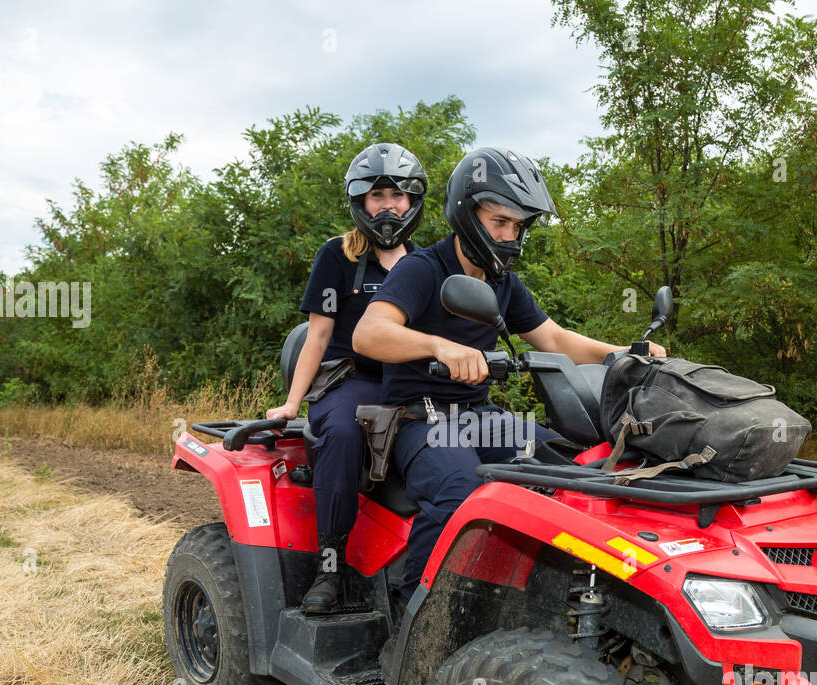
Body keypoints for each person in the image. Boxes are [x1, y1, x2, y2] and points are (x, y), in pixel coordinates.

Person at [352, 146, 666, 606]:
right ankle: (413, 618)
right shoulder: (423, 269)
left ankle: (542, 599)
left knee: (574, 466)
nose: (510, 236)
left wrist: (622, 353)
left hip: (480, 416)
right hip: (420, 421)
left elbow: (556, 340)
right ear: (467, 215)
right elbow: (368, 333)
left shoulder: (502, 283)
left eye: (518, 226)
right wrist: (439, 345)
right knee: (460, 491)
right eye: (500, 223)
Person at [267, 142, 427, 613]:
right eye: (378, 195)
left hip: (411, 382)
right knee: (338, 432)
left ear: (413, 201)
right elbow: (317, 336)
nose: (388, 205)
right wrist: (293, 404)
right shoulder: (337, 256)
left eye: (398, 196)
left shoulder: (426, 263)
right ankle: (330, 566)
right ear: (361, 201)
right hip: (351, 380)